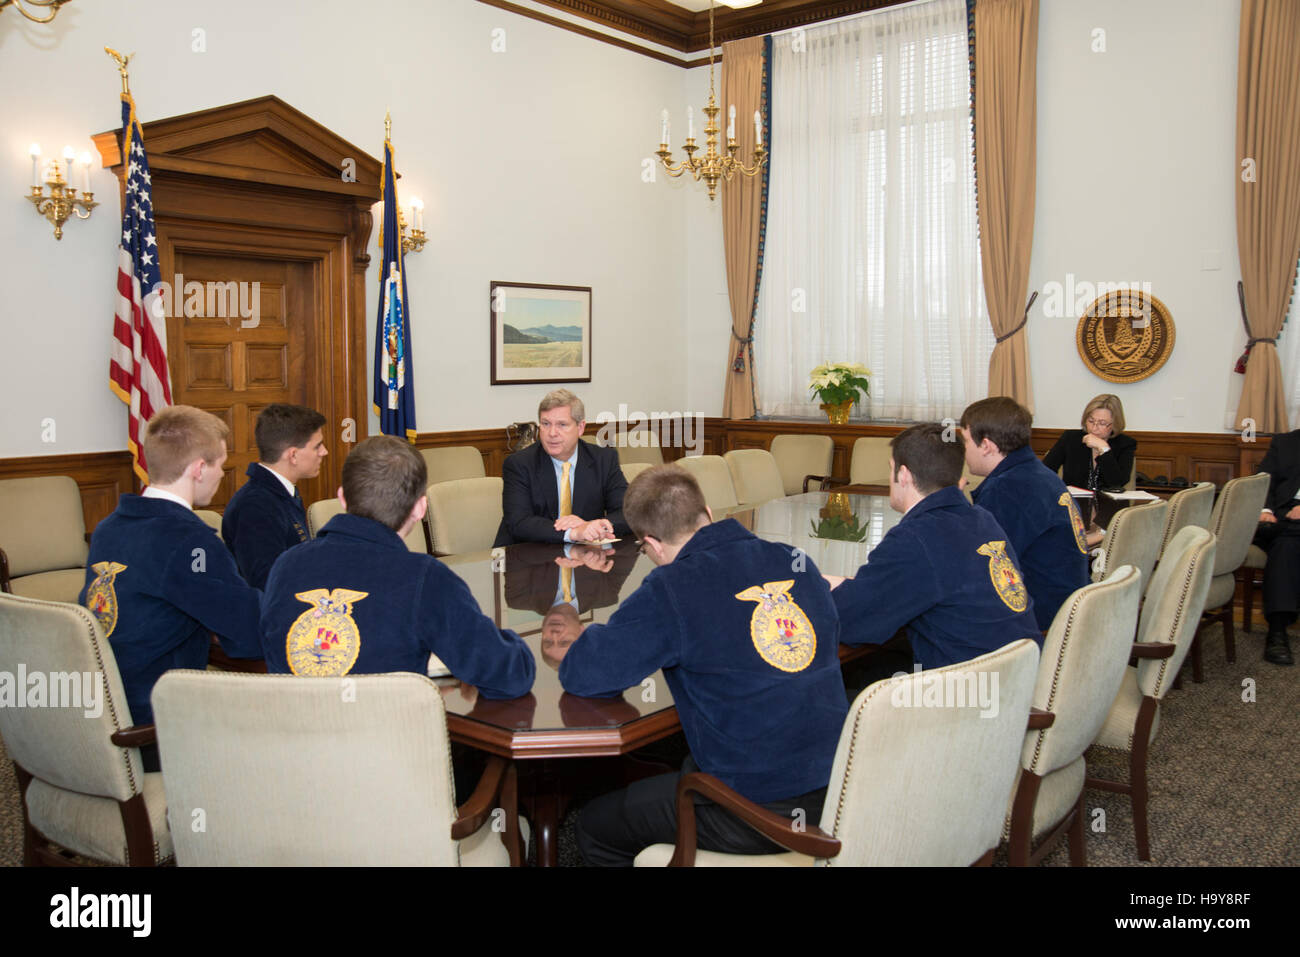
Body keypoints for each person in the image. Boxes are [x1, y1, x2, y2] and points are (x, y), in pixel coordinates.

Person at [560, 465, 847, 866]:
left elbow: (585, 673)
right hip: (842, 786)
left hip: (753, 806)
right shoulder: (793, 560)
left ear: (651, 545)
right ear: (709, 513)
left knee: (593, 826)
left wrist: (587, 634)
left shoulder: (671, 587)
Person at [260, 435, 534, 698]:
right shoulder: (424, 577)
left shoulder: (286, 564)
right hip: (384, 742)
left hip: (291, 740)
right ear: (420, 508)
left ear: (342, 498)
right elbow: (510, 675)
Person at [80, 406, 263, 769]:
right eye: (221, 467)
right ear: (198, 468)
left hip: (97, 713)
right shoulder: (189, 541)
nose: (222, 478)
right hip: (156, 727)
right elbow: (250, 633)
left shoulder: (109, 527)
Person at [830, 423, 1041, 682]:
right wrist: (855, 587)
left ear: (903, 475)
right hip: (1015, 681)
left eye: (890, 469)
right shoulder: (981, 519)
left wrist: (819, 586)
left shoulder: (917, 537)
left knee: (834, 686)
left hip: (963, 702)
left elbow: (851, 623)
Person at [961, 397, 1090, 631]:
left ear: (986, 445)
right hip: (1068, 614)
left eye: (966, 441)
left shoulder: (1008, 489)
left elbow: (977, 568)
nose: (964, 450)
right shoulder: (1036, 475)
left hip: (1040, 625)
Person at [493, 389, 630, 546]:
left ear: (580, 428)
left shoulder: (604, 459)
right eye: (545, 424)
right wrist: (574, 533)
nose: (552, 433)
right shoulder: (519, 464)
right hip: (527, 556)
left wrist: (596, 526)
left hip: (584, 557)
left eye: (562, 425)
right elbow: (519, 522)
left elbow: (628, 513)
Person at [221, 403, 327, 588]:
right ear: (293, 455)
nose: (324, 452)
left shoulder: (280, 491)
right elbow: (267, 582)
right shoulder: (255, 506)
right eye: (317, 446)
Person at [1252, 429, 1300, 665]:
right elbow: (1263, 480)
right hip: (1281, 518)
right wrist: (1265, 511)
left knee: (1284, 541)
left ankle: (1277, 633)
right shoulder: (1285, 442)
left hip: (1286, 527)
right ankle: (1278, 632)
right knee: (1285, 545)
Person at [1042, 393, 1137, 491]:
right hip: (1074, 502)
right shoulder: (1070, 439)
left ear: (1115, 424)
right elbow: (1045, 471)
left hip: (1109, 504)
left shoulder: (1125, 444)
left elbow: (1117, 483)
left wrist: (1104, 449)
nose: (1094, 428)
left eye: (1102, 423)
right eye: (1091, 421)